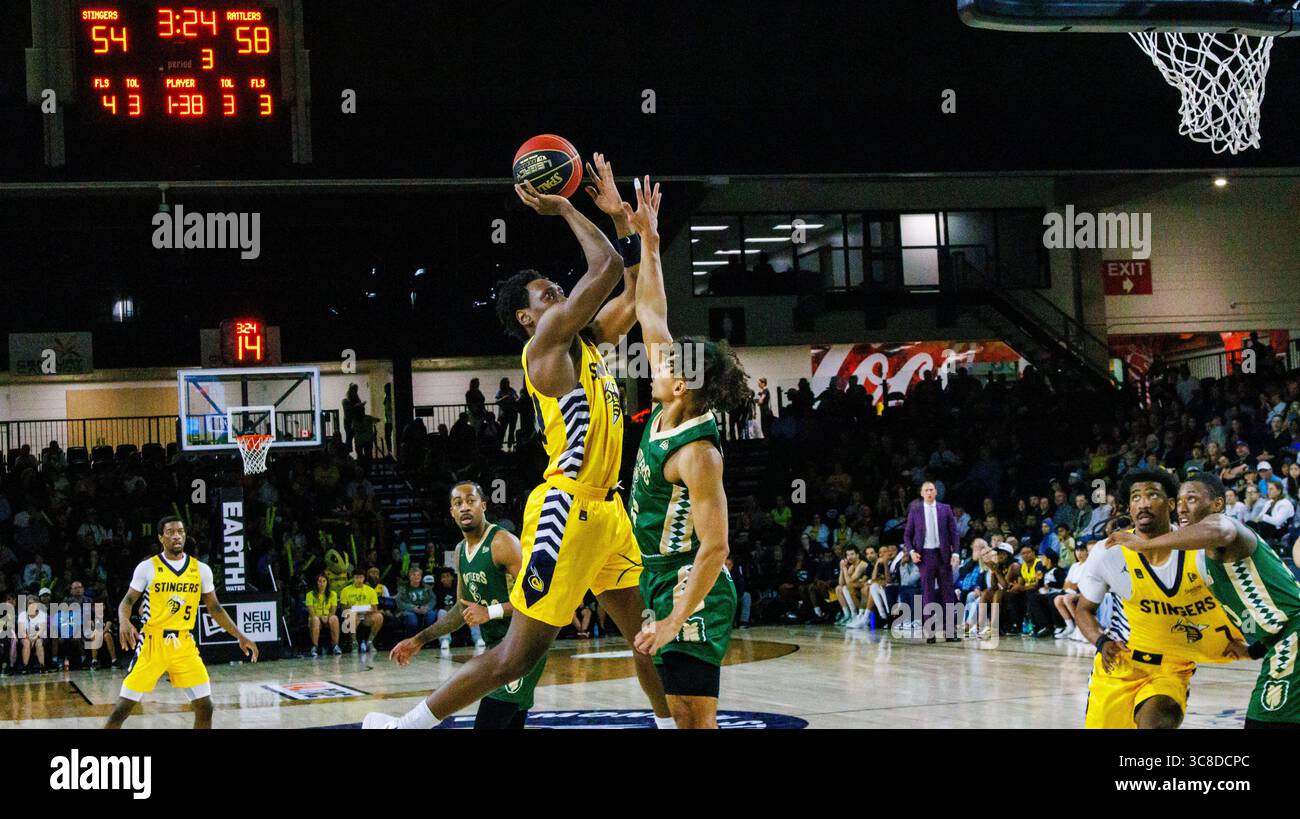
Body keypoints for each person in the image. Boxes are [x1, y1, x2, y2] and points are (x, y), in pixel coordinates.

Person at [363, 154, 672, 729]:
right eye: (547, 294)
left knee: (645, 635)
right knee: (517, 657)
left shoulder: (586, 339)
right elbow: (605, 267)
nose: (559, 294)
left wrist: (626, 224)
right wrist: (565, 208)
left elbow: (633, 293)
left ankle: (669, 725)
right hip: (567, 508)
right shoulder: (545, 344)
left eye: (558, 289)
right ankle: (407, 727)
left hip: (608, 511)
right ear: (529, 319)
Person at [623, 177, 743, 727]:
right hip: (656, 574)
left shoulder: (699, 453)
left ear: (682, 385)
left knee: (694, 719)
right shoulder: (671, 402)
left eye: (666, 366)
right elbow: (651, 313)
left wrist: (675, 618)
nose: (655, 363)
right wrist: (648, 242)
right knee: (679, 714)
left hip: (692, 583)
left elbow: (716, 547)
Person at [1108, 473, 1300, 728]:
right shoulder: (1208, 554)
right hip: (1280, 640)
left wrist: (1146, 545)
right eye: (1179, 501)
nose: (1181, 508)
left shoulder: (1226, 526)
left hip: (1293, 637)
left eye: (1192, 499)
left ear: (1217, 504)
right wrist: (1252, 650)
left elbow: (1218, 529)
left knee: (1264, 721)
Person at [1073, 470, 1245, 729]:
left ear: (1172, 504)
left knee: (1157, 722)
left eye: (1152, 495)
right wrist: (1101, 641)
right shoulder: (1108, 552)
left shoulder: (1201, 548)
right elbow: (1083, 610)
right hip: (1120, 663)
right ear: (1129, 508)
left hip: (1171, 666)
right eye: (1135, 497)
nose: (1143, 503)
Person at [372, 482, 549, 729]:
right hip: (497, 649)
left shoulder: (502, 542)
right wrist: (419, 640)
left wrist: (490, 611)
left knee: (489, 720)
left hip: (521, 646)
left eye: (470, 501)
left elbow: (538, 597)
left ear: (483, 506)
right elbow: (460, 610)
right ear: (452, 512)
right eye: (458, 503)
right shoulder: (460, 551)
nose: (465, 507)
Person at [105, 516, 258, 729]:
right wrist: (124, 621)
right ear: (161, 538)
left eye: (180, 531)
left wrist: (240, 636)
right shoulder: (147, 567)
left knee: (205, 707)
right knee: (122, 709)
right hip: (152, 644)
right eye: (170, 532)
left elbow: (215, 608)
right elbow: (128, 601)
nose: (176, 536)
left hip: (184, 644)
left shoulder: (201, 570)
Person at [904, 481, 960, 642]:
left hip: (943, 555)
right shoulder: (915, 510)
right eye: (926, 490)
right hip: (925, 556)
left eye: (931, 490)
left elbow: (954, 533)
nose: (929, 492)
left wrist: (956, 553)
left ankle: (950, 632)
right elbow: (907, 535)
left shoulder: (945, 509)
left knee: (948, 593)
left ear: (936, 492)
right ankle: (930, 632)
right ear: (921, 493)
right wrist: (912, 552)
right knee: (928, 593)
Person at [339, 569, 384, 653]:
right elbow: (343, 608)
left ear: (364, 578)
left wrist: (362, 609)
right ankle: (354, 642)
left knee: (379, 617)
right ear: (353, 578)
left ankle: (370, 642)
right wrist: (355, 610)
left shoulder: (371, 590)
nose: (359, 580)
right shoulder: (345, 590)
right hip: (352, 614)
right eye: (356, 577)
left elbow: (374, 608)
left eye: (361, 577)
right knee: (351, 615)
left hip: (367, 615)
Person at [394, 566, 436, 638]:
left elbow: (433, 600)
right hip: (409, 610)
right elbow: (399, 601)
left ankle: (428, 639)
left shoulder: (426, 587)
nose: (416, 577)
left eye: (418, 575)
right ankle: (411, 639)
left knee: (432, 615)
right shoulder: (404, 588)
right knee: (412, 620)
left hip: (424, 608)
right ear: (410, 577)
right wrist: (412, 608)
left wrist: (427, 607)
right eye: (414, 575)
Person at [306, 573, 341, 657]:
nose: (322, 584)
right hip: (315, 617)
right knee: (315, 619)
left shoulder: (333, 594)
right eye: (319, 581)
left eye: (324, 581)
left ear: (327, 582)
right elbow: (311, 612)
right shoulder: (310, 594)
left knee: (334, 618)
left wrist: (327, 617)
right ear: (316, 583)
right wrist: (321, 617)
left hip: (327, 617)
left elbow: (333, 610)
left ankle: (335, 646)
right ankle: (315, 646)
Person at [496, 377, 519, 450]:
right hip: (504, 414)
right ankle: (500, 446)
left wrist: (515, 399)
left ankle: (509, 446)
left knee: (512, 430)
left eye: (508, 383)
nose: (508, 384)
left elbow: (517, 398)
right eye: (506, 383)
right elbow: (497, 401)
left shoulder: (512, 390)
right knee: (502, 430)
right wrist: (504, 398)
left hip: (513, 413)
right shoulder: (500, 392)